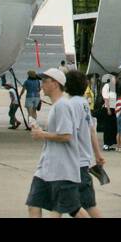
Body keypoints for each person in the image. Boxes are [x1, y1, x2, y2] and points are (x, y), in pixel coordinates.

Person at [26, 68, 86, 218]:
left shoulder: (62, 106)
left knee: (72, 209)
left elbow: (66, 136)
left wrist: (42, 134)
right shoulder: (56, 106)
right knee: (34, 204)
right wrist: (41, 132)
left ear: (55, 84)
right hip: (48, 168)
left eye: (45, 81)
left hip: (63, 170)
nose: (42, 85)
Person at [65, 69, 106, 218]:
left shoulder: (70, 105)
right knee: (89, 205)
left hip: (74, 163)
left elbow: (69, 134)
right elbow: (91, 131)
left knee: (68, 204)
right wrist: (97, 155)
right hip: (84, 161)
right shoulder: (83, 103)